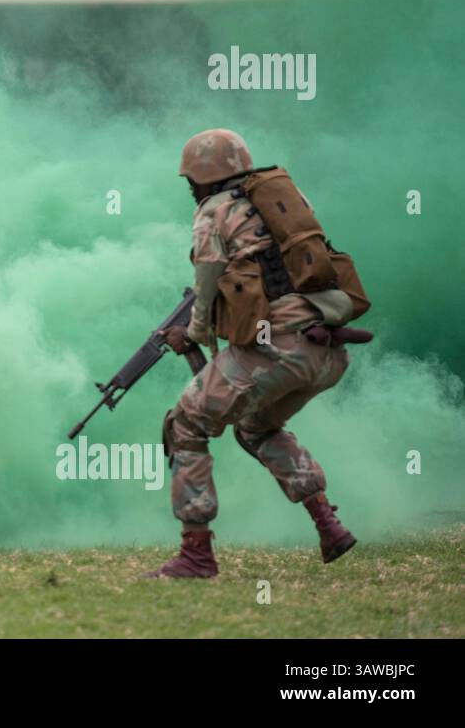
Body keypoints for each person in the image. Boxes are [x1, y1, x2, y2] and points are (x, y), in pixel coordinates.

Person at [148, 129, 359, 578]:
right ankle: (329, 525)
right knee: (257, 426)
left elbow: (208, 278)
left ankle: (197, 555)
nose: (190, 188)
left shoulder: (212, 210)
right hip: (327, 350)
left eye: (191, 180)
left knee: (185, 422)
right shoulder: (283, 199)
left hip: (276, 348)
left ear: (202, 178)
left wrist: (194, 331)